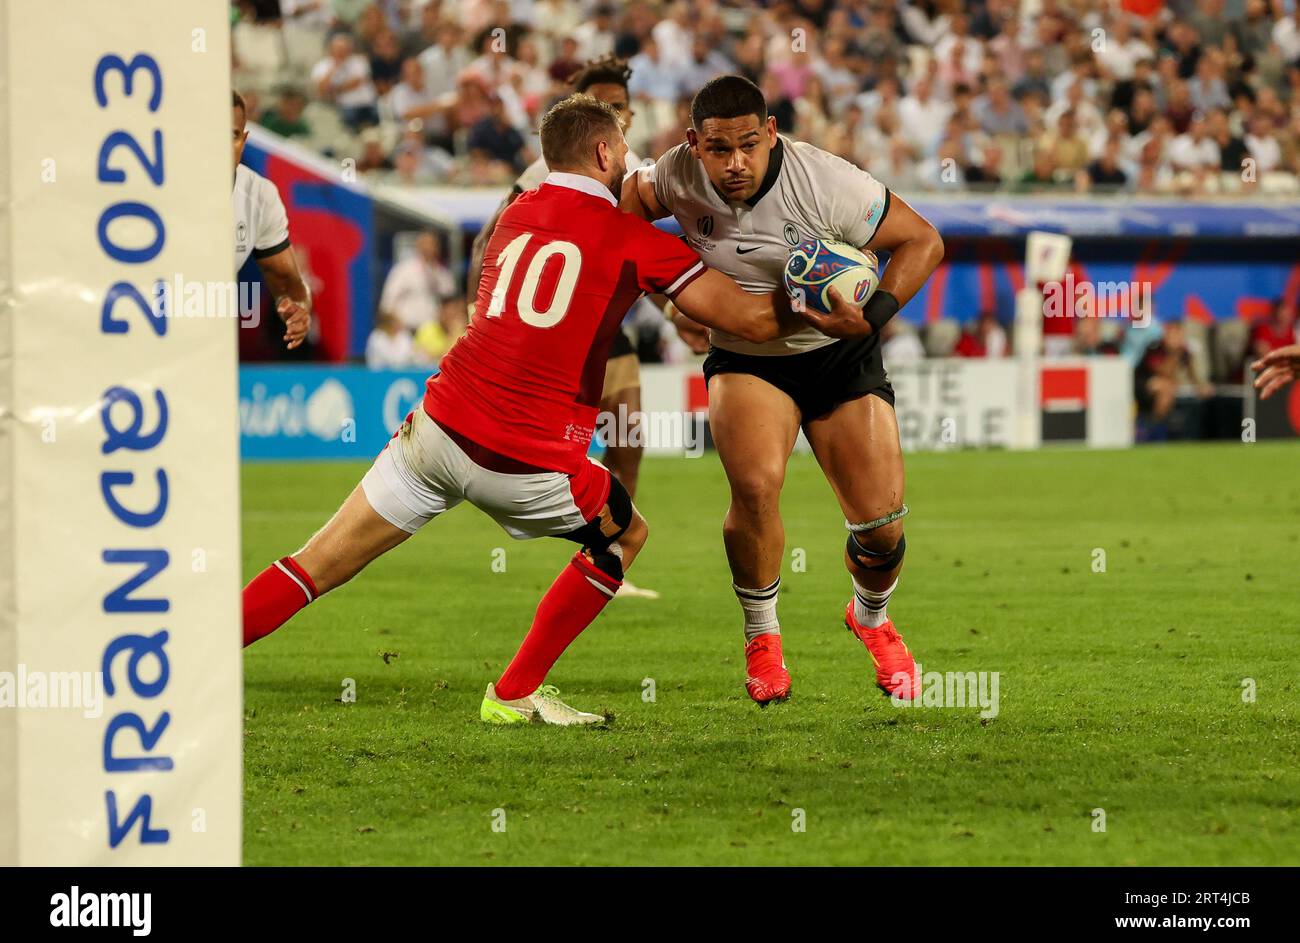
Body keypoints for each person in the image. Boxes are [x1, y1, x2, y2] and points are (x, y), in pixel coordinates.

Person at [240, 94, 867, 726]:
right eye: (622, 148)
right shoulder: (632, 239)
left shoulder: (518, 211)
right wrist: (826, 301)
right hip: (526, 458)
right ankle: (514, 693)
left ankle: (195, 661)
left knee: (314, 563)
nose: (630, 160)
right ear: (601, 153)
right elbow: (755, 320)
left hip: (435, 427)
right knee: (626, 535)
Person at [622, 75, 944, 705]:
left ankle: (871, 618)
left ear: (771, 134)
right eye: (718, 149)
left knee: (880, 525)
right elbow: (624, 213)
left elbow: (923, 240)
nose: (735, 162)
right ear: (694, 144)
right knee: (754, 487)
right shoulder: (673, 176)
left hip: (839, 353)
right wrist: (669, 296)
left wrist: (872, 316)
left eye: (749, 144)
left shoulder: (828, 182)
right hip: (746, 357)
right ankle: (762, 635)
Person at [470, 56, 660, 598]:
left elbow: (643, 262)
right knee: (556, 447)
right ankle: (593, 540)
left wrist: (678, 315)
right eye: (604, 108)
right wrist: (474, 313)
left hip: (605, 327)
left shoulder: (638, 170)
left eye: (619, 107)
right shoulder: (551, 173)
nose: (615, 117)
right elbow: (489, 240)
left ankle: (609, 552)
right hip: (553, 330)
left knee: (629, 434)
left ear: (632, 112)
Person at [232, 90, 311, 351]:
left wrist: (298, 311)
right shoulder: (162, 188)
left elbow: (288, 284)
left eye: (232, 136)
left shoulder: (260, 195)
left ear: (243, 141)